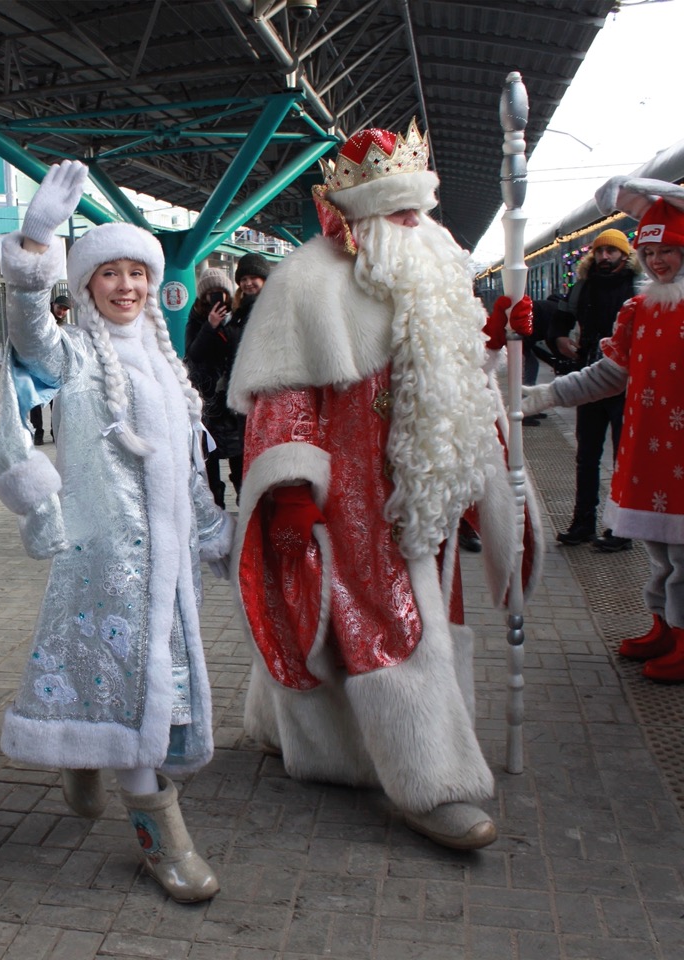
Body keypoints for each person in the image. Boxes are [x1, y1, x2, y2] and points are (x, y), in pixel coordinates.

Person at [226, 122, 541, 850]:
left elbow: (448, 376)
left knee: (378, 618)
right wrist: (292, 489)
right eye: (401, 214)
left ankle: (294, 732)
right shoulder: (304, 282)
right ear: (364, 214)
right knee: (387, 625)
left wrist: (493, 341)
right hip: (353, 495)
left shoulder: (432, 270)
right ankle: (433, 781)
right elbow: (281, 397)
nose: (417, 225)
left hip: (425, 489)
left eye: (419, 211)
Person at [0, 161, 233, 902]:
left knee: (130, 678)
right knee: (129, 689)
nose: (125, 286)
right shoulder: (78, 354)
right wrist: (36, 243)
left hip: (168, 564)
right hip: (104, 560)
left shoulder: (162, 362)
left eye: (137, 273)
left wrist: (214, 527)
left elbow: (188, 465)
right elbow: (30, 335)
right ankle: (163, 839)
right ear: (87, 285)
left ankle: (80, 749)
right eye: (109, 274)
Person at [524, 178, 684, 683]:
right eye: (651, 251)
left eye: (670, 251)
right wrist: (544, 394)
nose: (658, 261)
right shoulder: (638, 311)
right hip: (649, 450)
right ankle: (665, 627)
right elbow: (609, 375)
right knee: (660, 552)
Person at [548, 228, 640, 550]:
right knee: (587, 455)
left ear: (624, 256)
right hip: (590, 377)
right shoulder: (582, 287)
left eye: (611, 252)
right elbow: (559, 320)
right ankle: (583, 523)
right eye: (600, 252)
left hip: (627, 383)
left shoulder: (637, 287)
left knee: (623, 458)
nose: (604, 257)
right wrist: (559, 338)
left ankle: (620, 529)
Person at [184, 267, 243, 508]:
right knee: (210, 460)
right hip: (208, 401)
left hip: (232, 399)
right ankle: (217, 511)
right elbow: (193, 355)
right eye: (211, 294)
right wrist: (210, 326)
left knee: (239, 459)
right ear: (203, 297)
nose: (217, 298)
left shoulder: (237, 317)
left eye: (221, 293)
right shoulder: (197, 319)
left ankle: (245, 507)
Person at [28, 294, 69, 444]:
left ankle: (55, 431)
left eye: (65, 310)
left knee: (55, 402)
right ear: (53, 305)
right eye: (60, 308)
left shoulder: (62, 325)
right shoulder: (43, 321)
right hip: (38, 367)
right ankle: (38, 432)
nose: (62, 311)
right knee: (36, 402)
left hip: (55, 369)